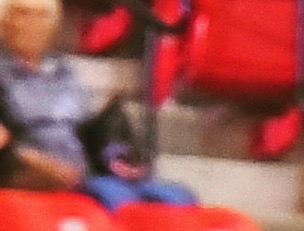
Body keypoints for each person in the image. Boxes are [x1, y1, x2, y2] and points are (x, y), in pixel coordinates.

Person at [0, 0, 192, 204]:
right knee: (116, 199)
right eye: (22, 14)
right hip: (32, 173)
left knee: (177, 197)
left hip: (85, 171)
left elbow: (88, 128)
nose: (32, 23)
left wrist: (115, 151)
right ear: (4, 22)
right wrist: (43, 166)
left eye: (41, 16)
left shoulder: (63, 72)